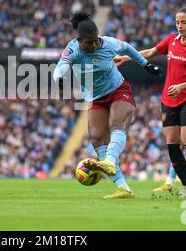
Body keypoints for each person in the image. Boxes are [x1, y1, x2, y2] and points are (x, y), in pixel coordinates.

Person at [115, 7, 186, 198]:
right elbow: (151, 52)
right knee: (172, 144)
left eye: (184, 22)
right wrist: (126, 58)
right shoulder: (171, 40)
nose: (180, 26)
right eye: (177, 22)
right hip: (169, 99)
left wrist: (181, 86)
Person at [53, 11, 162, 199]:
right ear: (79, 40)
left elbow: (127, 48)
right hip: (96, 98)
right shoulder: (73, 50)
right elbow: (61, 66)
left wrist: (146, 65)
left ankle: (110, 161)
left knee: (117, 124)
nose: (94, 44)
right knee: (96, 138)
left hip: (119, 90)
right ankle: (123, 188)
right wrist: (59, 78)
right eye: (89, 42)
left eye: (96, 40)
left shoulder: (108, 43)